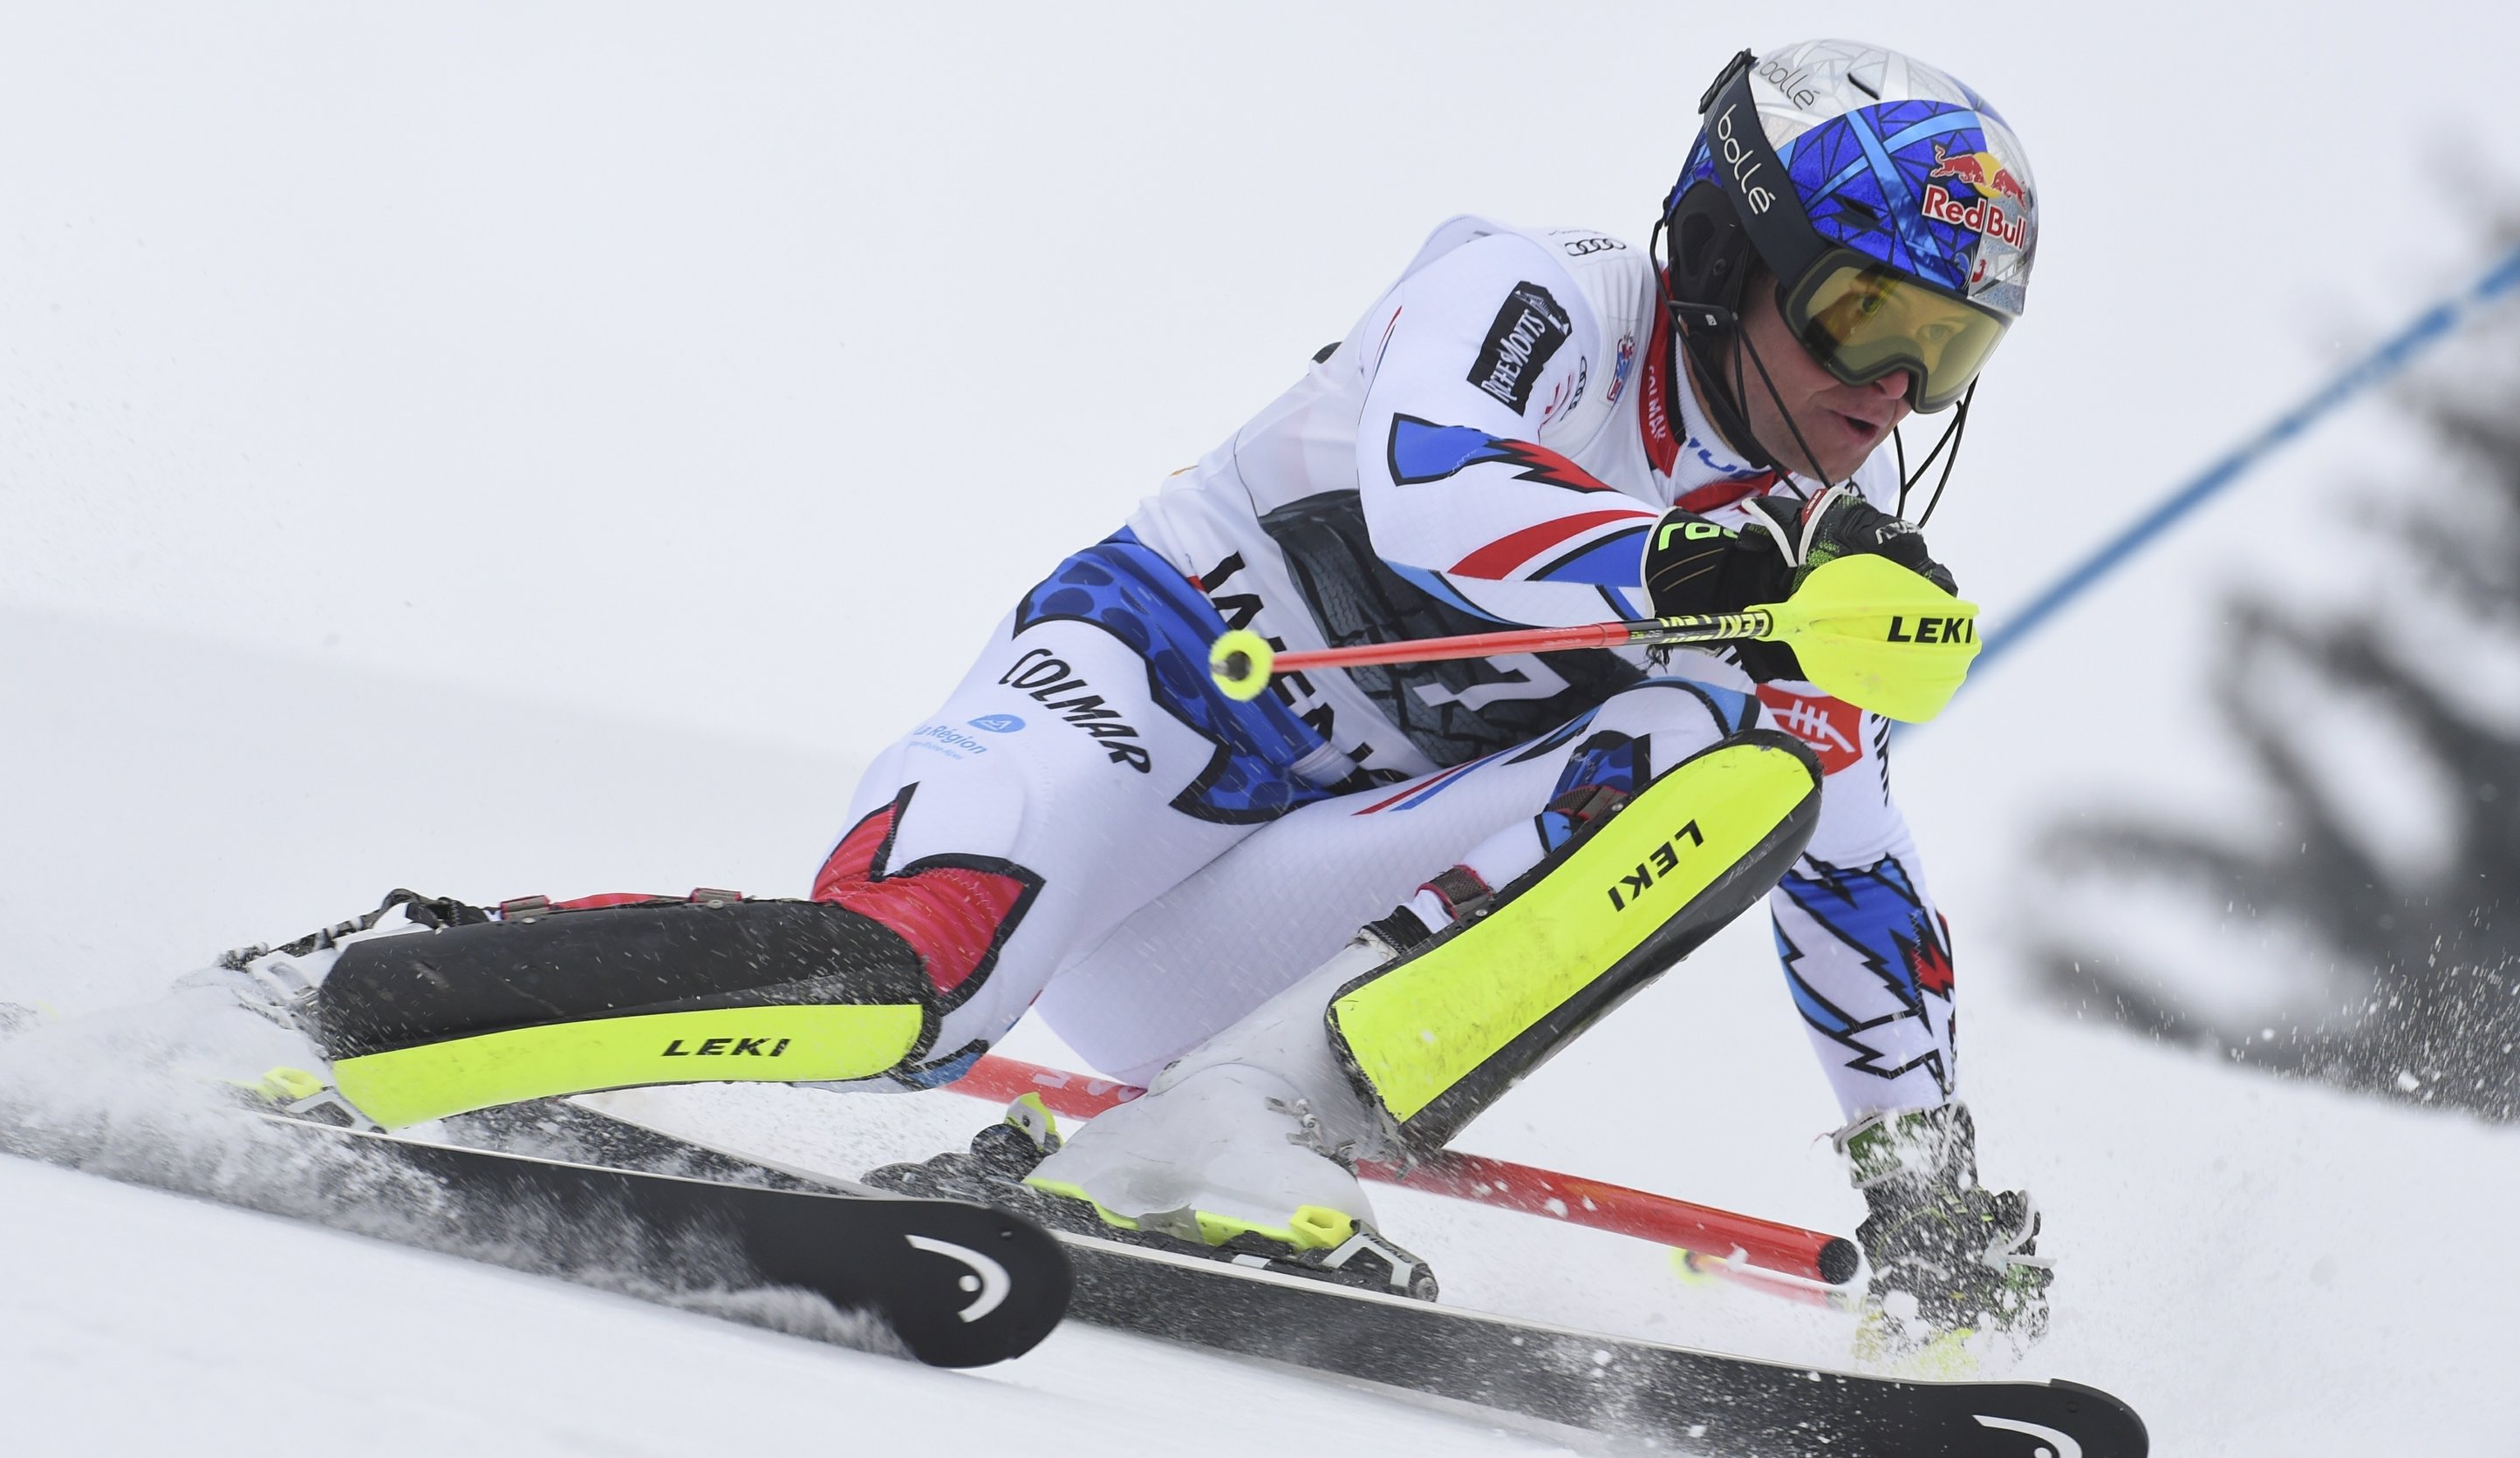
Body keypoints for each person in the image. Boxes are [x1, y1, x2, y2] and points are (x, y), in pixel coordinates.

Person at [200, 39, 2049, 1352]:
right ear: (1730, 252)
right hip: (1142, 706)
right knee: (890, 992)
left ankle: (1231, 1126)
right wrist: (1679, 571)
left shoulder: (1823, 553)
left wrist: (1925, 1174)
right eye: (1860, 317)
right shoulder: (1540, 299)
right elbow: (1429, 478)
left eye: (1946, 351)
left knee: (1770, 751)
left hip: (1279, 920)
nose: (1891, 387)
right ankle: (349, 996)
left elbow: (1856, 861)